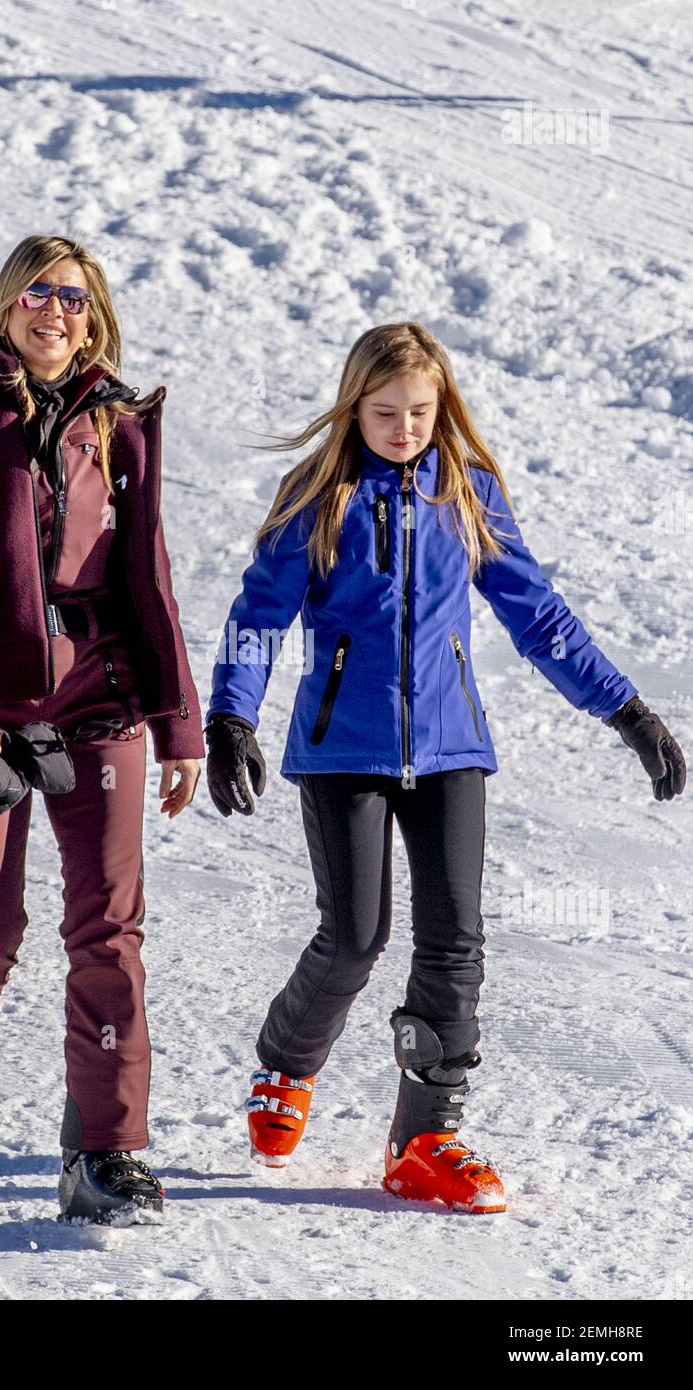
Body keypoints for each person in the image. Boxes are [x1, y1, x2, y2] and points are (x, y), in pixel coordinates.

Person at [204, 321, 685, 1215]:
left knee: (455, 941)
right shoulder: (317, 495)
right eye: (385, 412)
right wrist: (231, 714)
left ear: (442, 407)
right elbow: (258, 615)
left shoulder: (467, 492)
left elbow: (539, 617)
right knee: (354, 935)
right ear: (355, 406)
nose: (404, 429)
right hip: (342, 749)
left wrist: (626, 709)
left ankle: (425, 1137)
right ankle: (287, 1060)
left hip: (452, 746)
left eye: (420, 412)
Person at [0, 235, 205, 1224]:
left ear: (94, 315)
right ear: (4, 304)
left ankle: (104, 1153)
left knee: (106, 930)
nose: (54, 311)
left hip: (98, 699)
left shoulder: (121, 422)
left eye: (74, 297)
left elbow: (145, 578)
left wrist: (178, 723)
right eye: (37, 291)